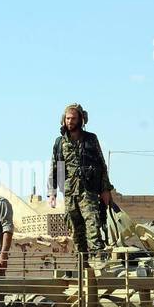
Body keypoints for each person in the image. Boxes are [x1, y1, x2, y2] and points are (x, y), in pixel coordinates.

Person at [47, 103, 114, 254]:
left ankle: (98, 261)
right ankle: (82, 263)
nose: (70, 121)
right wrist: (52, 193)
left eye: (73, 118)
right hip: (70, 193)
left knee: (93, 226)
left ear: (81, 120)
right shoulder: (59, 142)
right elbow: (55, 168)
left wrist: (105, 189)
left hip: (88, 190)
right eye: (68, 118)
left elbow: (101, 165)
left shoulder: (90, 139)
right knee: (76, 232)